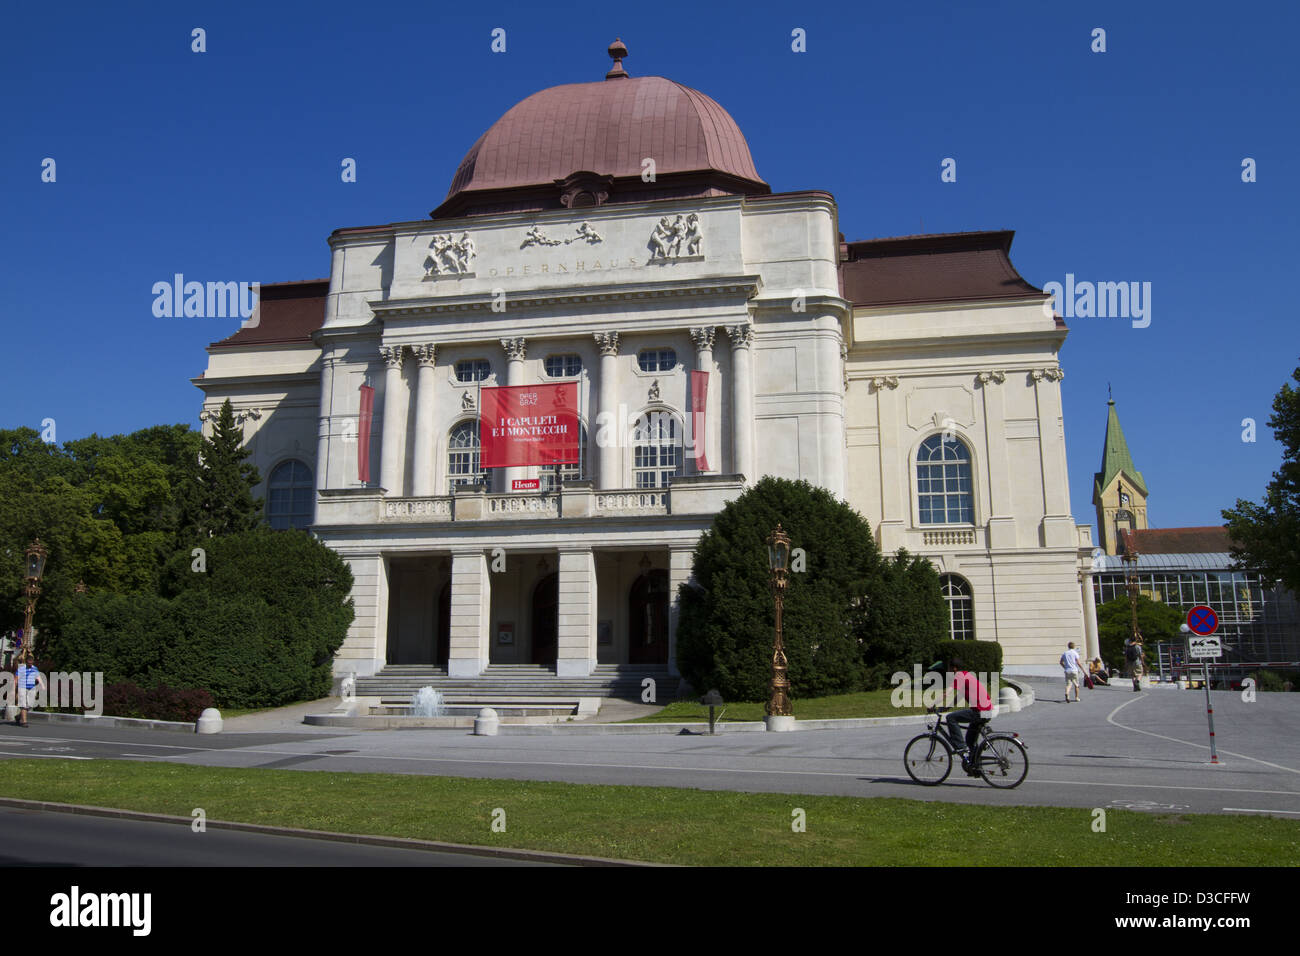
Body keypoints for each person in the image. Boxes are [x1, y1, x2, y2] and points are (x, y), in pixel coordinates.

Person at [942, 657, 994, 775]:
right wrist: (947, 707)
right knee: (970, 741)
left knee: (951, 718)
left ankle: (960, 747)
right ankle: (975, 766)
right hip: (987, 711)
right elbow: (960, 695)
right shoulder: (967, 675)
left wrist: (932, 704)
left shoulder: (959, 676)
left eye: (949, 668)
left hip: (980, 711)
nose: (948, 670)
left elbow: (947, 692)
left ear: (954, 668)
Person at [14, 657, 44, 728]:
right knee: (23, 705)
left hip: (32, 688)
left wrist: (42, 685)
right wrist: (14, 688)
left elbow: (38, 677)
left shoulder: (35, 668)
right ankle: (24, 722)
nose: (30, 664)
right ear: (26, 662)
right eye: (29, 663)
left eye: (31, 663)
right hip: (22, 688)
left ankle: (19, 716)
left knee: (30, 705)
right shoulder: (21, 669)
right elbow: (16, 678)